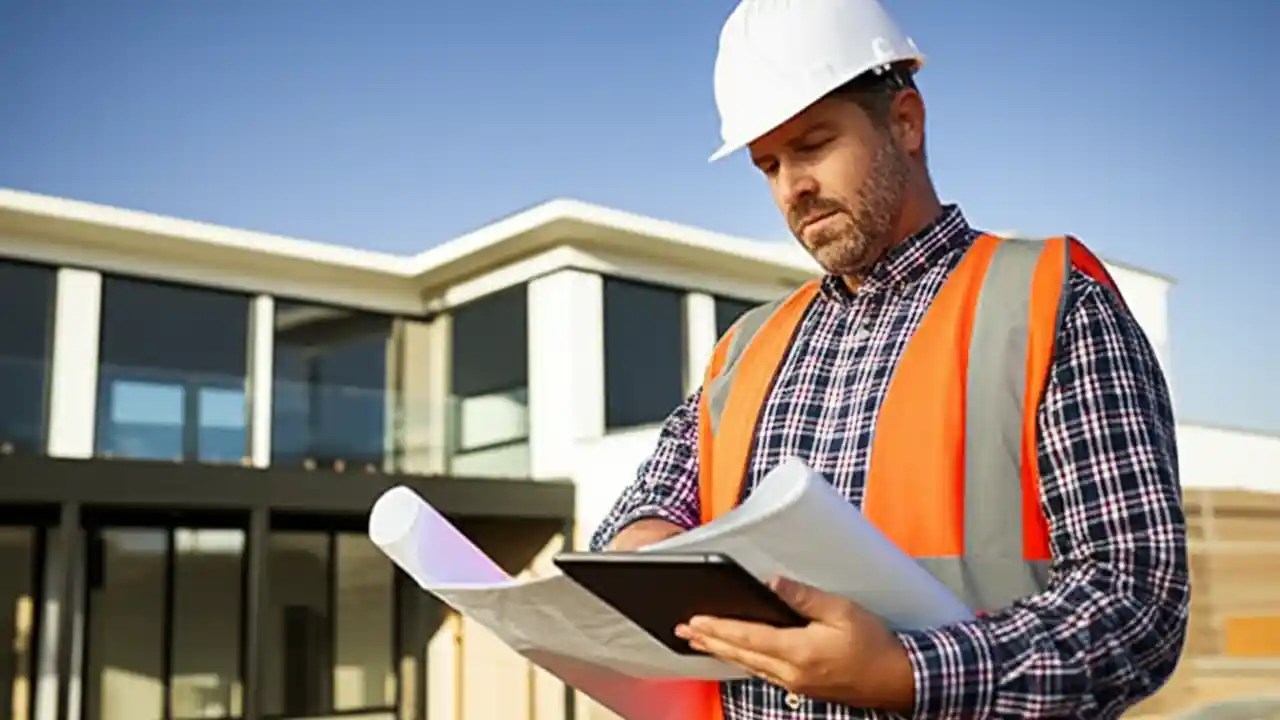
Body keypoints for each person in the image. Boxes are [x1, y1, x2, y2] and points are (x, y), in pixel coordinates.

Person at [586, 0, 1190, 718]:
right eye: (768, 164)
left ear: (905, 121)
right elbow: (645, 508)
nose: (791, 189)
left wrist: (906, 672)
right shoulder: (746, 348)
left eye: (812, 146)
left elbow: (1135, 602)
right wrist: (644, 541)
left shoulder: (1050, 304)